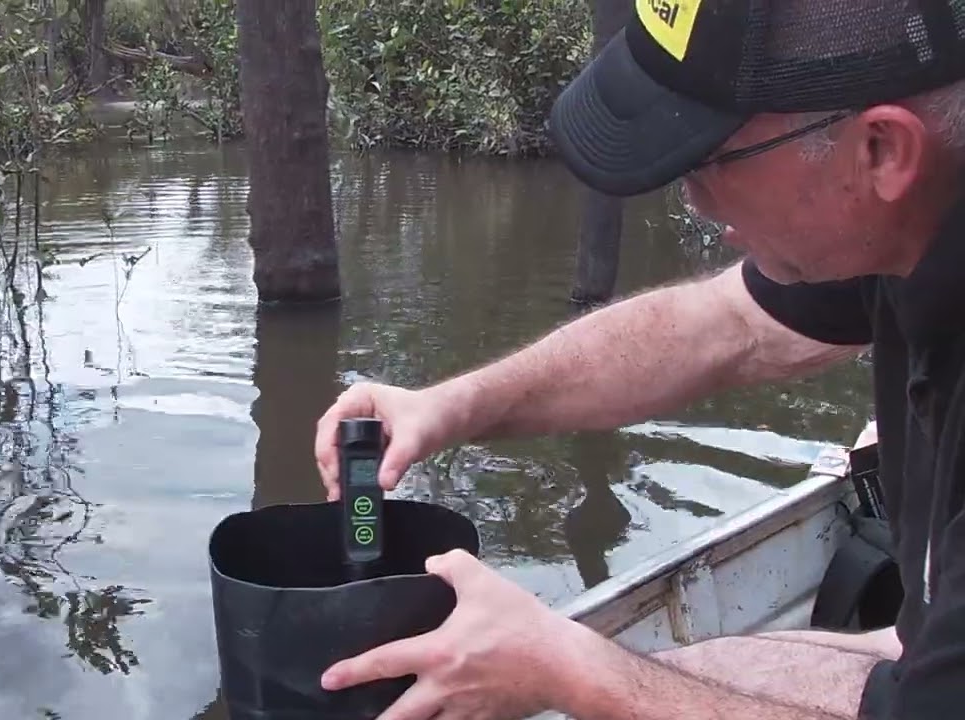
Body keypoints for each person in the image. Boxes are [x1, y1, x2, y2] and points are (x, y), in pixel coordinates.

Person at [310, 1, 965, 719]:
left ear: (880, 149)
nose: (692, 201)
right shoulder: (906, 218)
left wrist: (568, 669)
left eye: (708, 161)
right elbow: (723, 326)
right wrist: (453, 405)